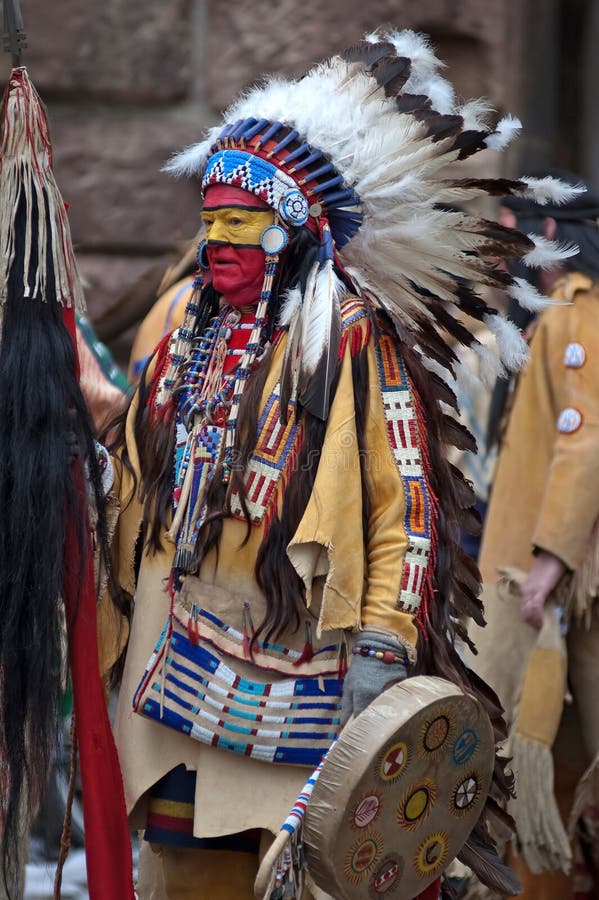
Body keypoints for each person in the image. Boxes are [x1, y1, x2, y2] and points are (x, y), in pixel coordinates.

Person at [101, 31, 580, 900]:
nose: (217, 239)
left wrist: (383, 643)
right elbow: (135, 480)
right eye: (209, 220)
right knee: (183, 871)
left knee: (297, 876)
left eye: (239, 220)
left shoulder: (350, 339)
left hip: (301, 664)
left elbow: (405, 501)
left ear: (292, 224)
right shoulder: (187, 338)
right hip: (173, 665)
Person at [475, 172, 599, 900]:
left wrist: (548, 562)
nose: (498, 250)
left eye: (506, 231)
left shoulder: (572, 317)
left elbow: (583, 444)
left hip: (558, 584)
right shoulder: (553, 319)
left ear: (547, 232)